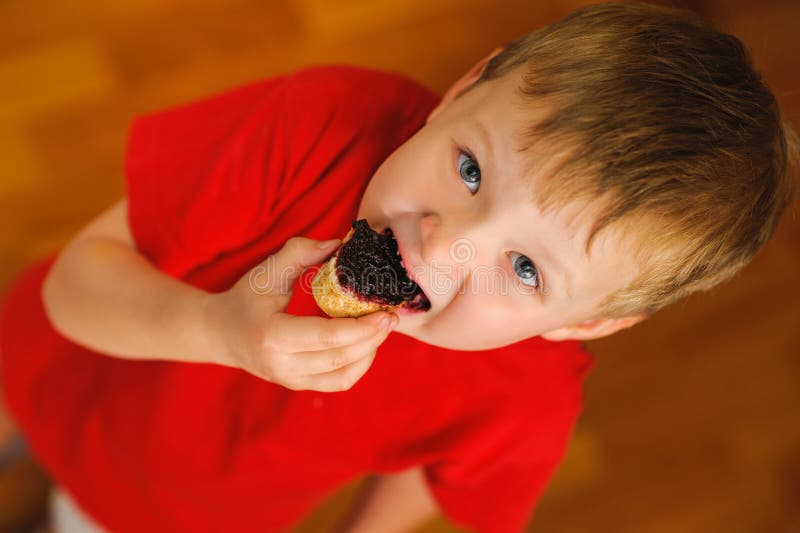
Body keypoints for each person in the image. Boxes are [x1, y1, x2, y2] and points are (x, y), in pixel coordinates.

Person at [1, 2, 797, 532]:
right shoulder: (323, 126)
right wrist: (217, 329)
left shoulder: (529, 402)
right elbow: (76, 289)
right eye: (472, 171)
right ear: (460, 92)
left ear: (587, 322)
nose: (443, 243)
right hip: (65, 358)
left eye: (525, 268)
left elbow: (435, 477)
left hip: (165, 513)